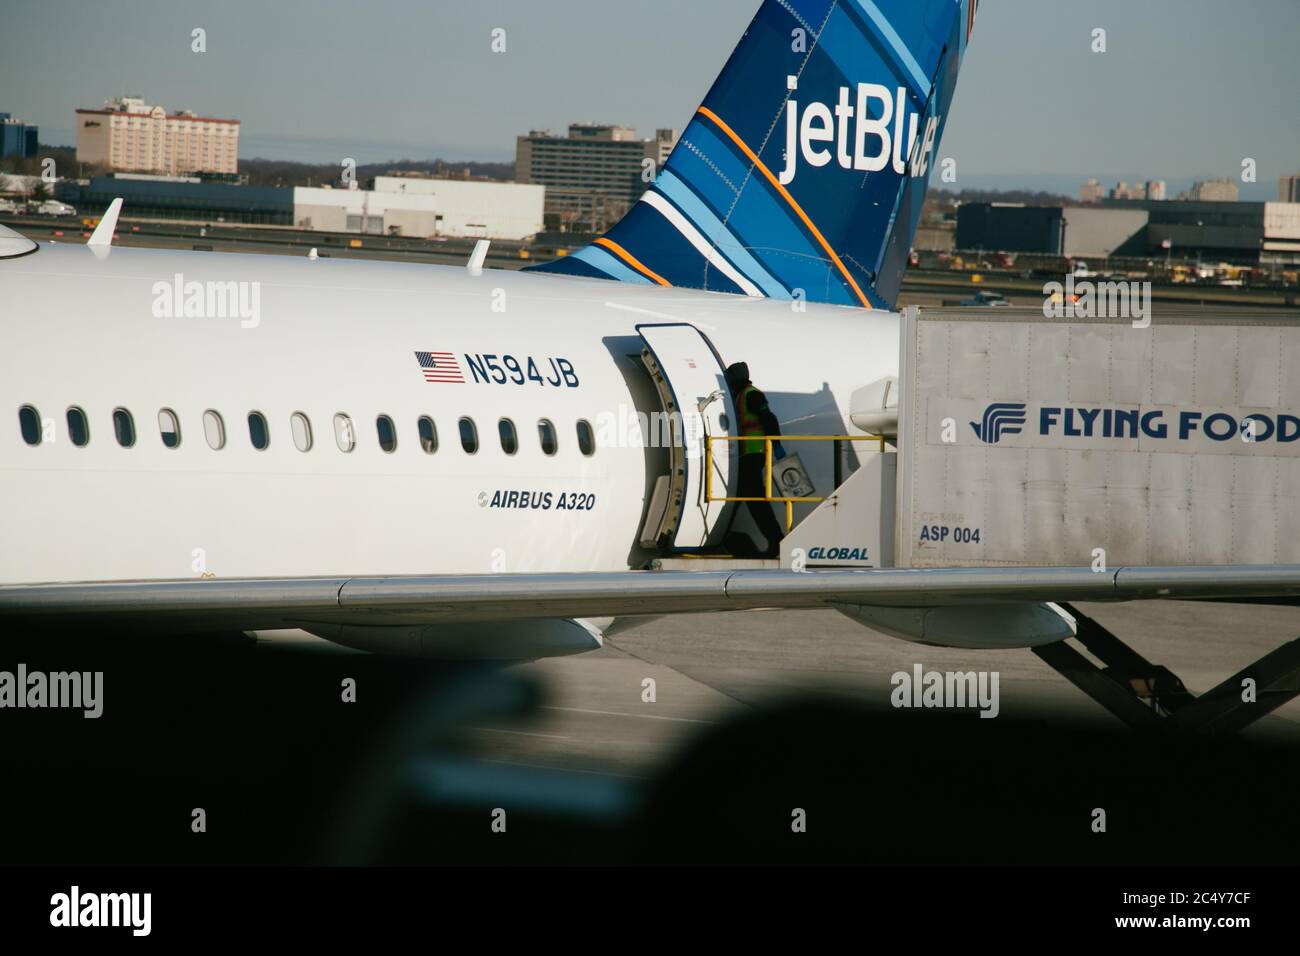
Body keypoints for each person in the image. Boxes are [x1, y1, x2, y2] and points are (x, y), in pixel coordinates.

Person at [724, 361, 787, 557]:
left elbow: (769, 418)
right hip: (746, 455)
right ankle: (773, 539)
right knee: (745, 497)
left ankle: (776, 539)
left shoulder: (751, 394)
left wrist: (776, 445)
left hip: (754, 453)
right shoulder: (741, 395)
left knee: (753, 498)